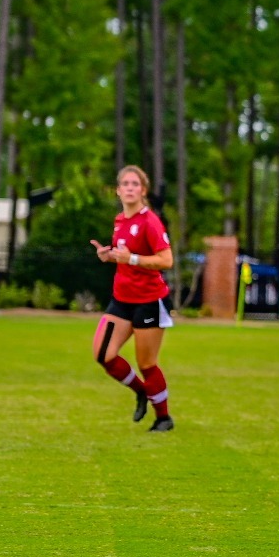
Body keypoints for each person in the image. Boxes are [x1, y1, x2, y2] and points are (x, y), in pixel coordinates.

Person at [89, 164, 176, 433]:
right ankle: (141, 392)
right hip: (122, 299)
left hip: (149, 300)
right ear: (118, 190)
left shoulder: (150, 221)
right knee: (103, 354)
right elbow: (124, 255)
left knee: (147, 363)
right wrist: (109, 255)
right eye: (125, 184)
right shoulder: (120, 221)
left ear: (143, 190)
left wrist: (132, 258)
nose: (129, 188)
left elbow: (167, 260)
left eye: (134, 184)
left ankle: (163, 418)